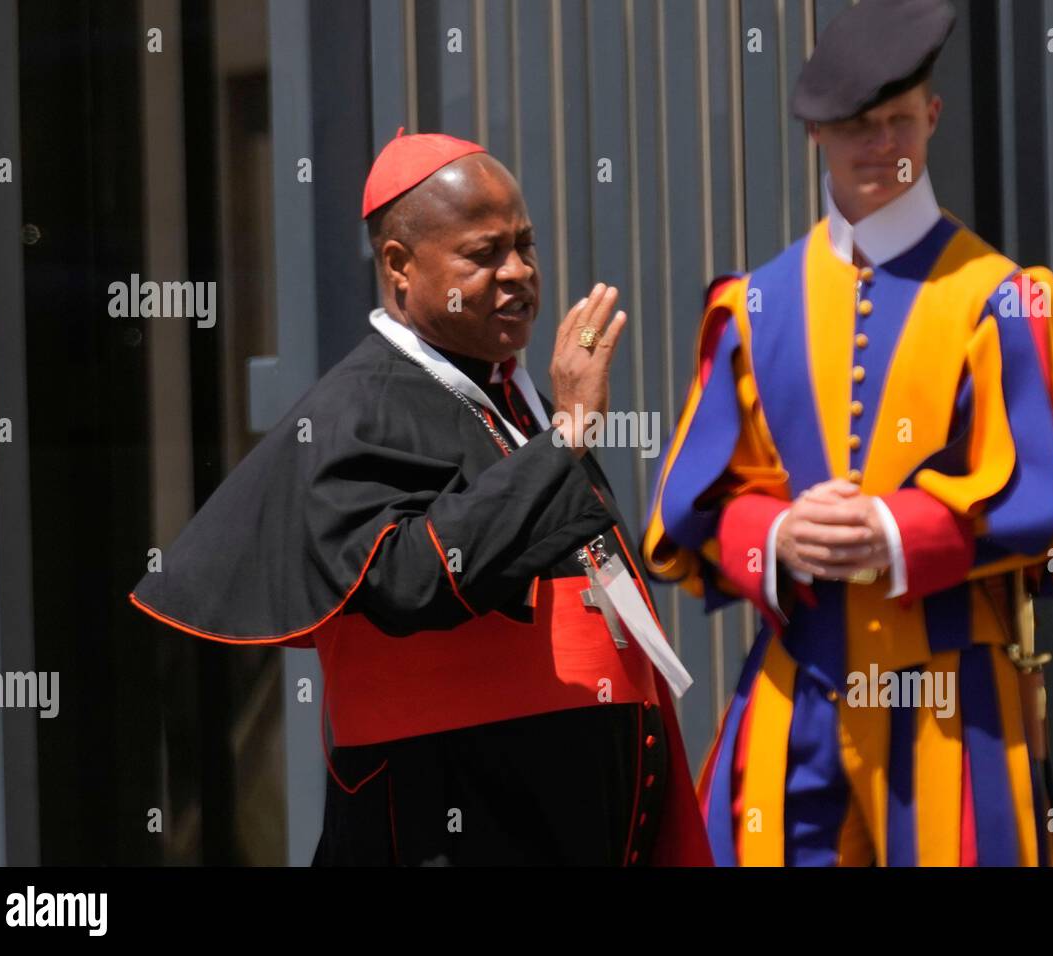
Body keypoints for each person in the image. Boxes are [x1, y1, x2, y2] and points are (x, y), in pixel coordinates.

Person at [642, 0, 1053, 867]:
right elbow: (688, 522)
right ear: (815, 135)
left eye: (899, 120)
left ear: (934, 118)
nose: (881, 144)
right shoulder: (752, 308)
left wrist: (894, 530)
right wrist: (777, 533)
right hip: (788, 702)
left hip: (956, 705)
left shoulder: (1004, 299)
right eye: (855, 126)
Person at [131, 129, 712, 867]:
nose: (519, 273)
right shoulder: (353, 409)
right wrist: (564, 435)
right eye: (484, 253)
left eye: (525, 246)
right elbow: (408, 580)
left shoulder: (514, 395)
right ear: (400, 267)